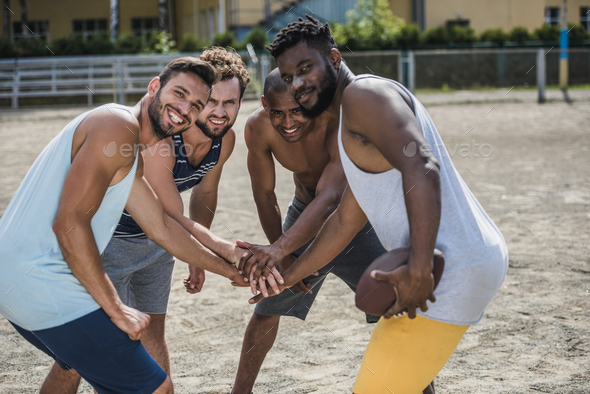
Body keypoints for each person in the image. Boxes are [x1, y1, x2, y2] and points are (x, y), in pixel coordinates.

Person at [246, 16, 509, 394]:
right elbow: (344, 222)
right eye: (288, 77)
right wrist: (286, 276)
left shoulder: (362, 96)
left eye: (305, 69)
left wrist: (419, 264)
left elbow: (422, 166)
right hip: (460, 262)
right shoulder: (352, 121)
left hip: (446, 270)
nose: (298, 85)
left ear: (334, 59)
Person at [0, 57, 249, 394]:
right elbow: (69, 223)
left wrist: (230, 268)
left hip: (17, 282)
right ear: (153, 87)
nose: (185, 109)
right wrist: (116, 308)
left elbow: (160, 226)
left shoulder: (129, 150)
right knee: (156, 388)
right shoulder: (116, 124)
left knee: (77, 364)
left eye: (196, 105)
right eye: (179, 93)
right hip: (41, 282)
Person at [230, 68, 385, 394]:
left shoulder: (337, 123)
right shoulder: (258, 128)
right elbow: (264, 194)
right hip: (301, 222)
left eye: (296, 111)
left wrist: (283, 250)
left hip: (358, 220)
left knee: (394, 308)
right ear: (263, 104)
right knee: (267, 309)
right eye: (277, 113)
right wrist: (280, 253)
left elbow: (333, 203)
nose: (287, 122)